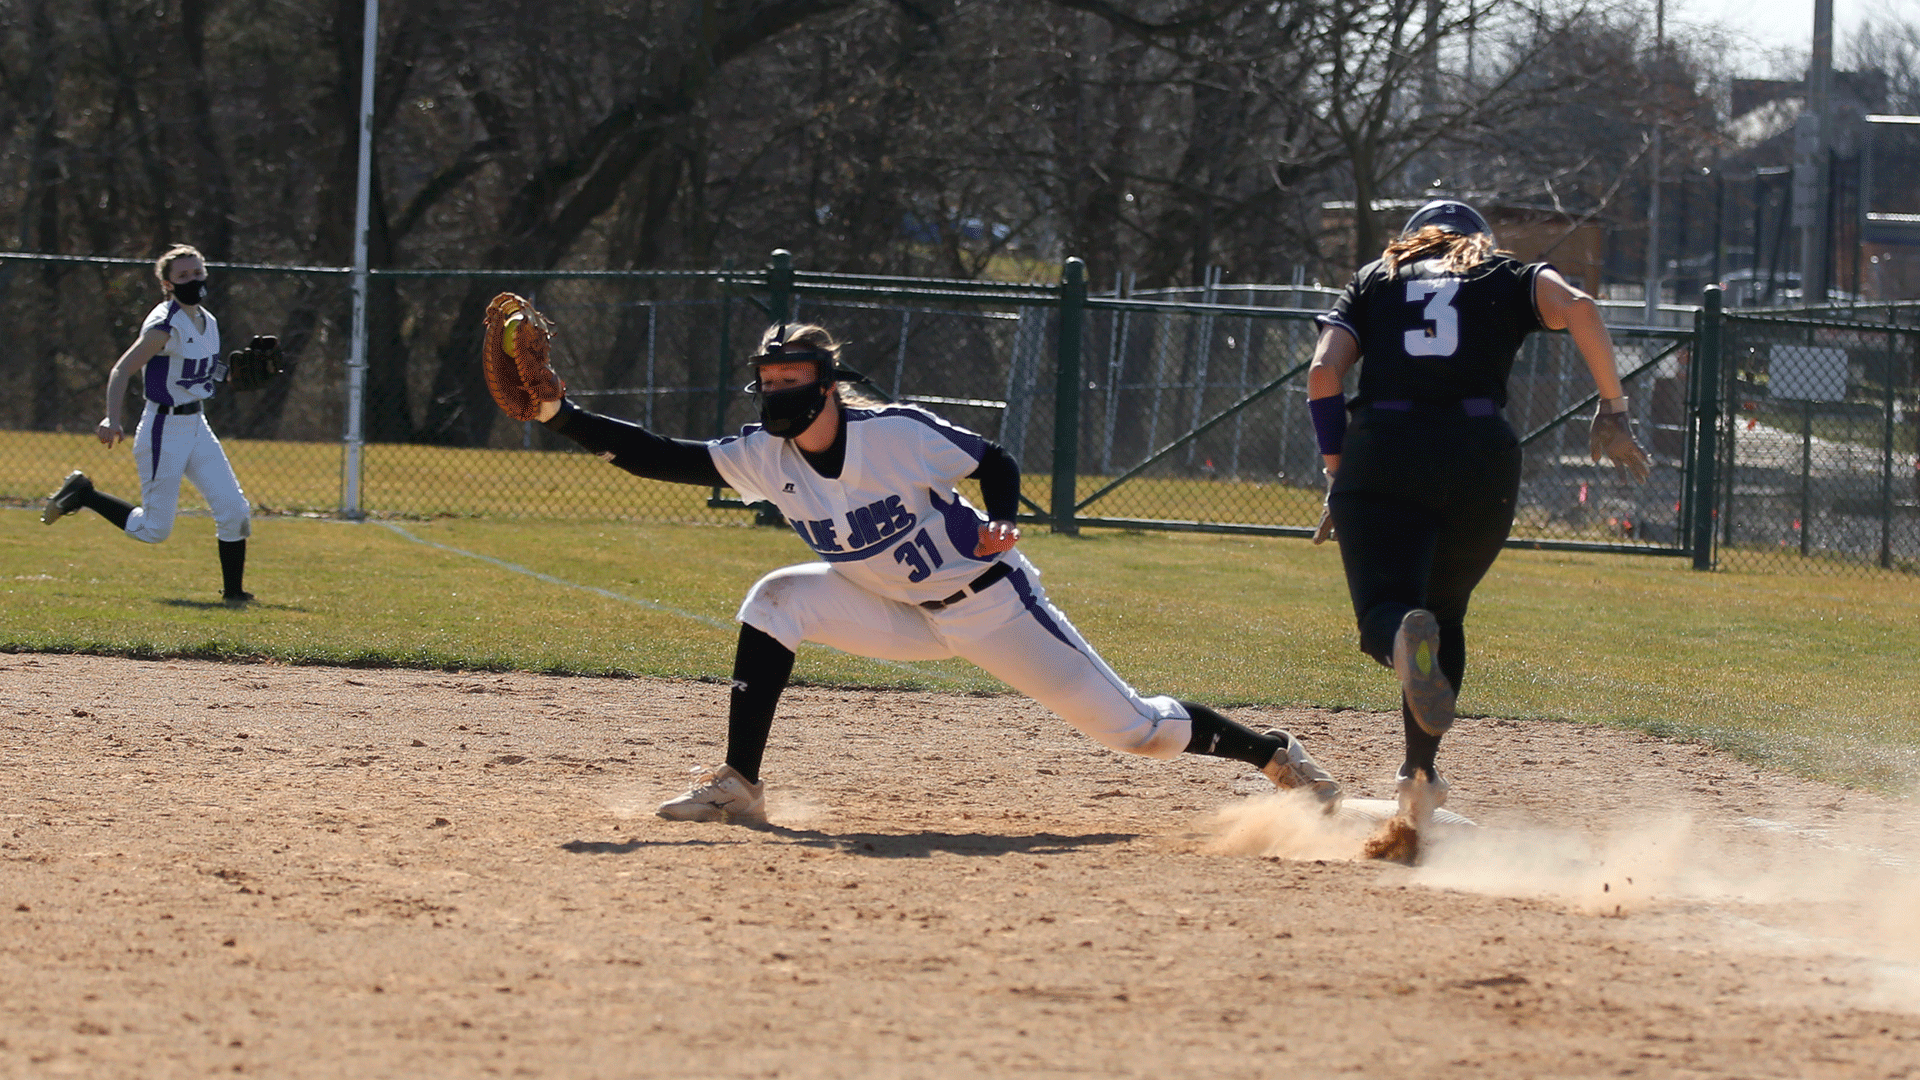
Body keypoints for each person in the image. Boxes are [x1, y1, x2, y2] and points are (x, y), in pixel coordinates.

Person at [517, 322, 1342, 824]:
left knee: (1135, 733)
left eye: (791, 382)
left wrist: (1003, 519)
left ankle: (1270, 754)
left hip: (990, 603)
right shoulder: (765, 458)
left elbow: (996, 459)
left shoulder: (893, 434)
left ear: (827, 386)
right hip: (892, 608)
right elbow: (661, 457)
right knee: (776, 600)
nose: (776, 396)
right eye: (767, 383)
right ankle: (740, 784)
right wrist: (563, 414)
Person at [1306, 200, 1649, 837]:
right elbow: (1580, 306)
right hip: (1481, 454)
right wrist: (1613, 408)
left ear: (1413, 241)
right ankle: (1418, 780)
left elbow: (1324, 373)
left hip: (1386, 445)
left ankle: (1399, 646)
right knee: (1445, 613)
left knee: (1390, 618)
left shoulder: (1376, 278)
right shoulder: (1504, 273)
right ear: (1479, 241)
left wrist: (1337, 470)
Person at [40, 244, 255, 603]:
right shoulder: (164, 325)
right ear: (167, 284)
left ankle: (234, 593)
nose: (193, 280)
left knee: (234, 509)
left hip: (197, 425)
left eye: (197, 272)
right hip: (163, 429)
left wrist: (235, 376)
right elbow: (122, 369)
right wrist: (113, 416)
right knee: (154, 531)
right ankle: (84, 493)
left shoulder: (208, 319)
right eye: (183, 276)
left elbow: (200, 371)